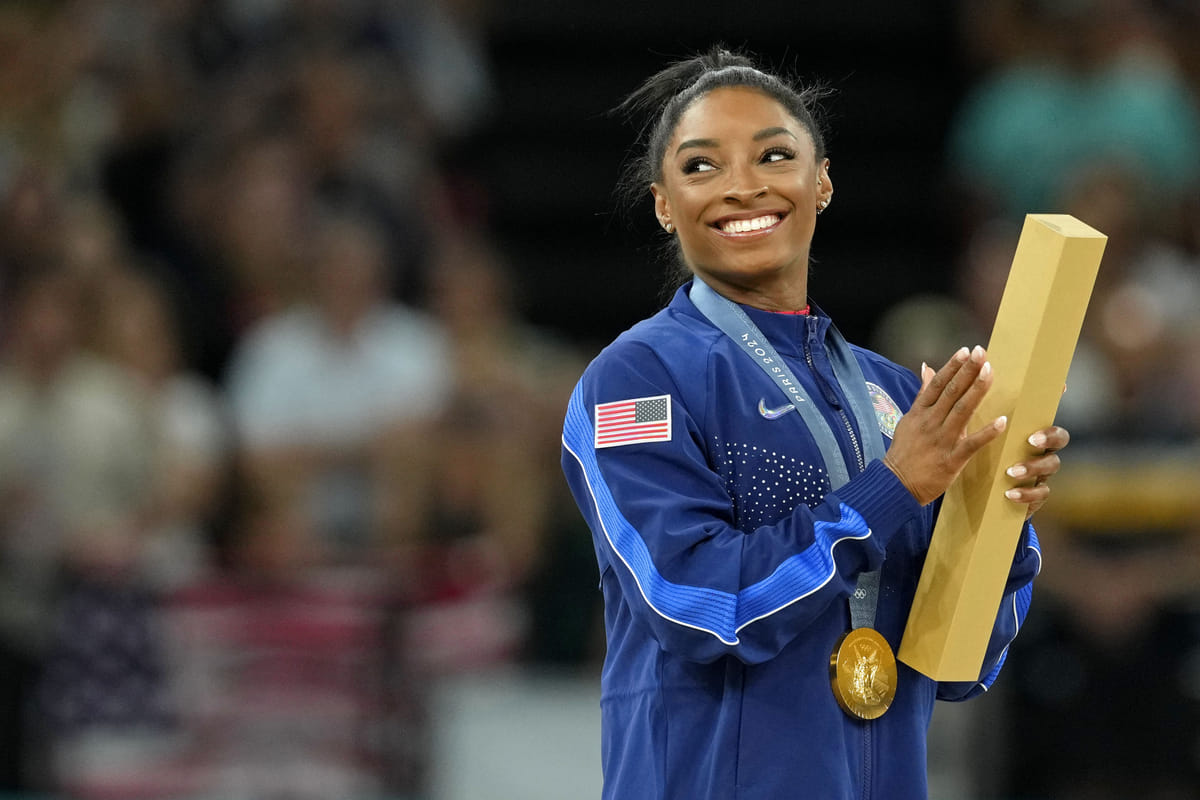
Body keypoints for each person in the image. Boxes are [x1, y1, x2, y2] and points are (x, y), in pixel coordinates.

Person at [559, 48, 1069, 800]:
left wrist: (999, 517)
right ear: (663, 202)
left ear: (821, 181)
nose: (742, 185)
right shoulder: (636, 382)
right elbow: (697, 605)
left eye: (774, 155)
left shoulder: (895, 395)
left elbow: (963, 664)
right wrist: (892, 488)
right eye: (701, 166)